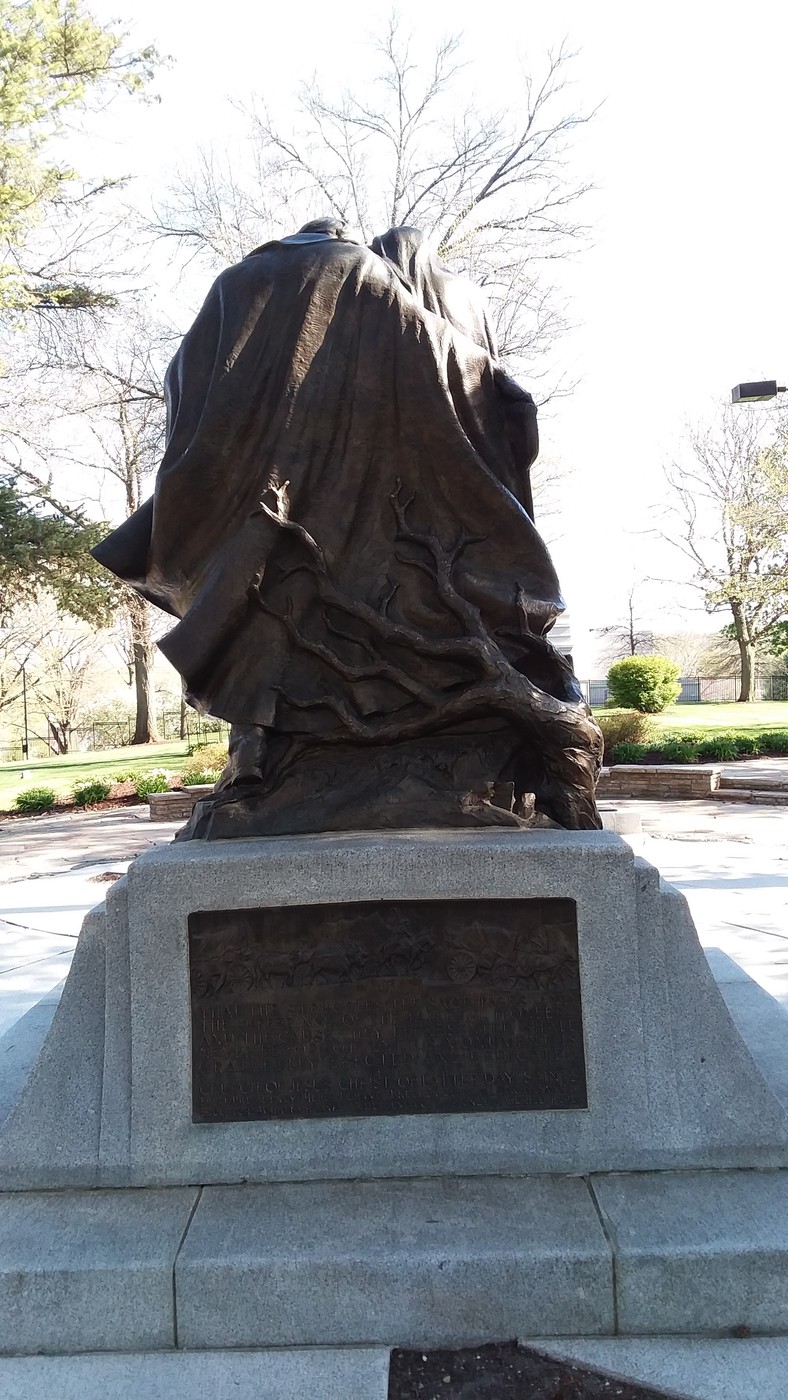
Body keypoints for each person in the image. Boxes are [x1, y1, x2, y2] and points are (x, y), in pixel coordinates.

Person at [93, 219, 601, 833]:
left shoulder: (245, 285)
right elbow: (476, 384)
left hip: (280, 510)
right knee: (316, 609)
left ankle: (262, 753)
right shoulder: (389, 291)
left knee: (273, 608)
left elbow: (186, 392)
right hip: (380, 519)